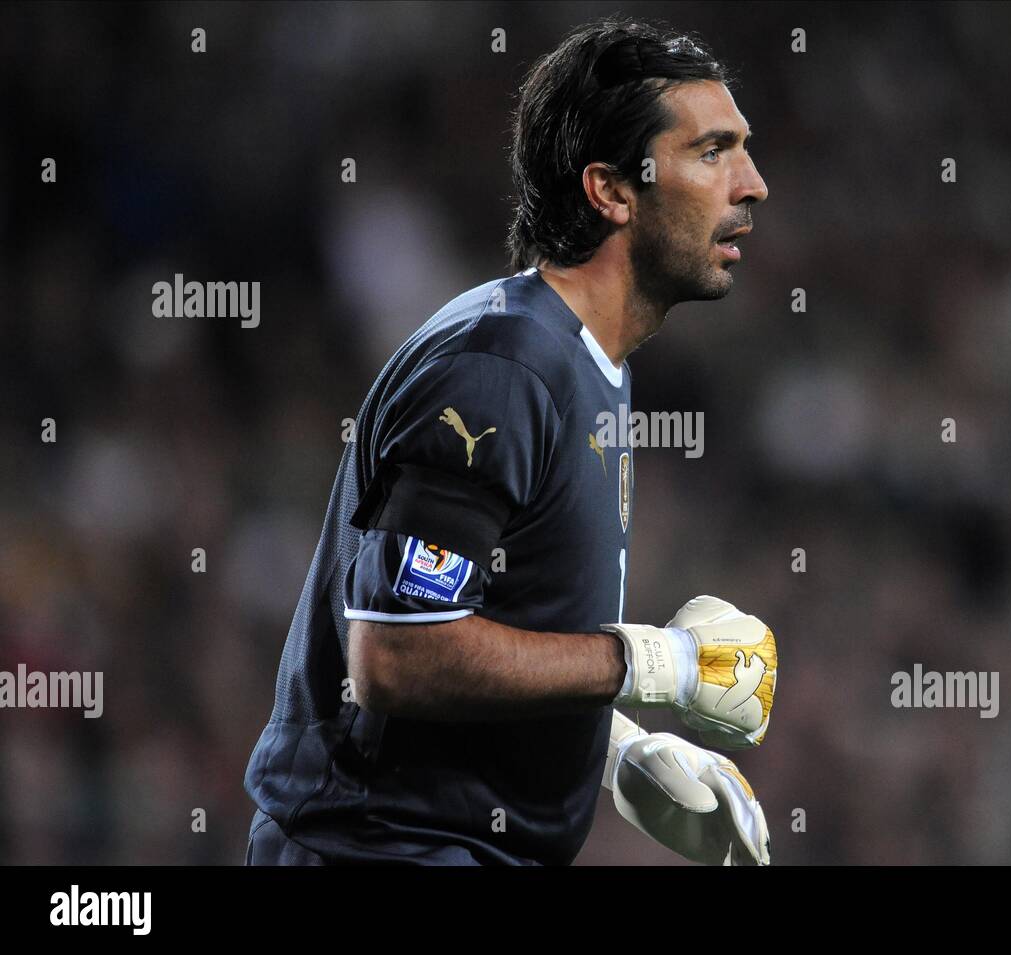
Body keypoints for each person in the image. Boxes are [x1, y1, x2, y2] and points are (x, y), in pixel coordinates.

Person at [243, 17, 775, 866]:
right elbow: (397, 654)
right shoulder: (501, 369)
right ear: (611, 189)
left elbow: (494, 629)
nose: (752, 183)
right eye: (712, 151)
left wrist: (618, 751)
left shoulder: (581, 361)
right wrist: (659, 663)